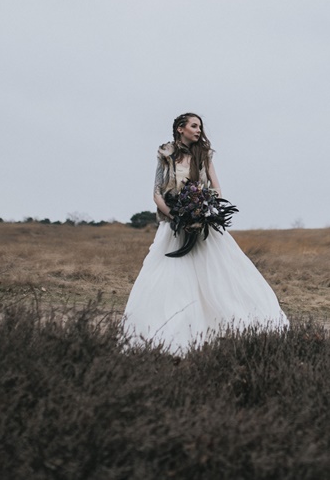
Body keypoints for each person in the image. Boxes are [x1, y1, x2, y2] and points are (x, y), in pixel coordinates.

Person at [123, 112, 289, 353]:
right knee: (171, 278)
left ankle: (233, 330)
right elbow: (157, 193)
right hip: (173, 227)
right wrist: (176, 216)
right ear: (180, 128)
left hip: (204, 226)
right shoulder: (165, 155)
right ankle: (169, 332)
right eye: (194, 126)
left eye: (200, 126)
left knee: (222, 275)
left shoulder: (204, 155)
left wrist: (207, 211)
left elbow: (216, 188)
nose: (199, 130)